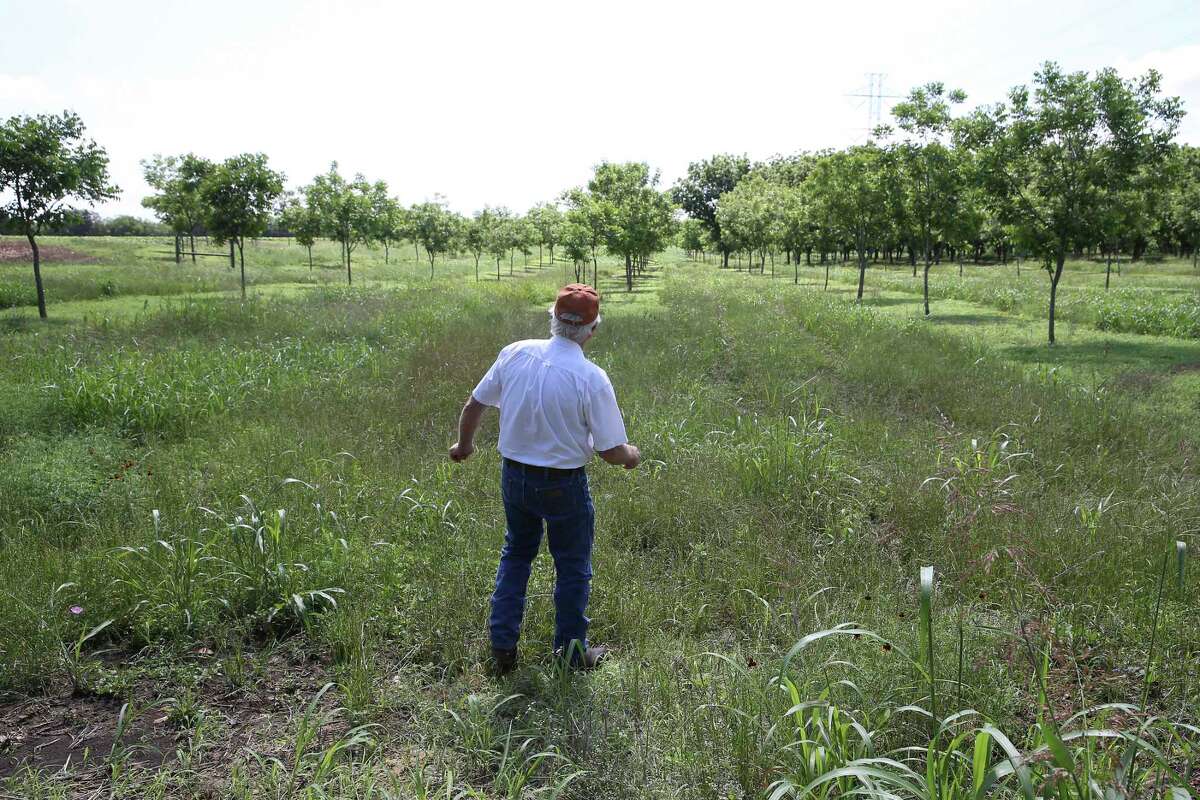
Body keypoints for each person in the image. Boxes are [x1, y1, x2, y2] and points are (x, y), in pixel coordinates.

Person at [449, 283, 641, 673]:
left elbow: (475, 404)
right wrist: (631, 456)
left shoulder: (515, 352)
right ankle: (571, 654)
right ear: (592, 330)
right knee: (571, 565)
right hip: (563, 484)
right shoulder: (591, 377)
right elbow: (609, 450)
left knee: (517, 553)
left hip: (514, 476)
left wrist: (463, 446)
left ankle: (503, 647)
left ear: (552, 319)